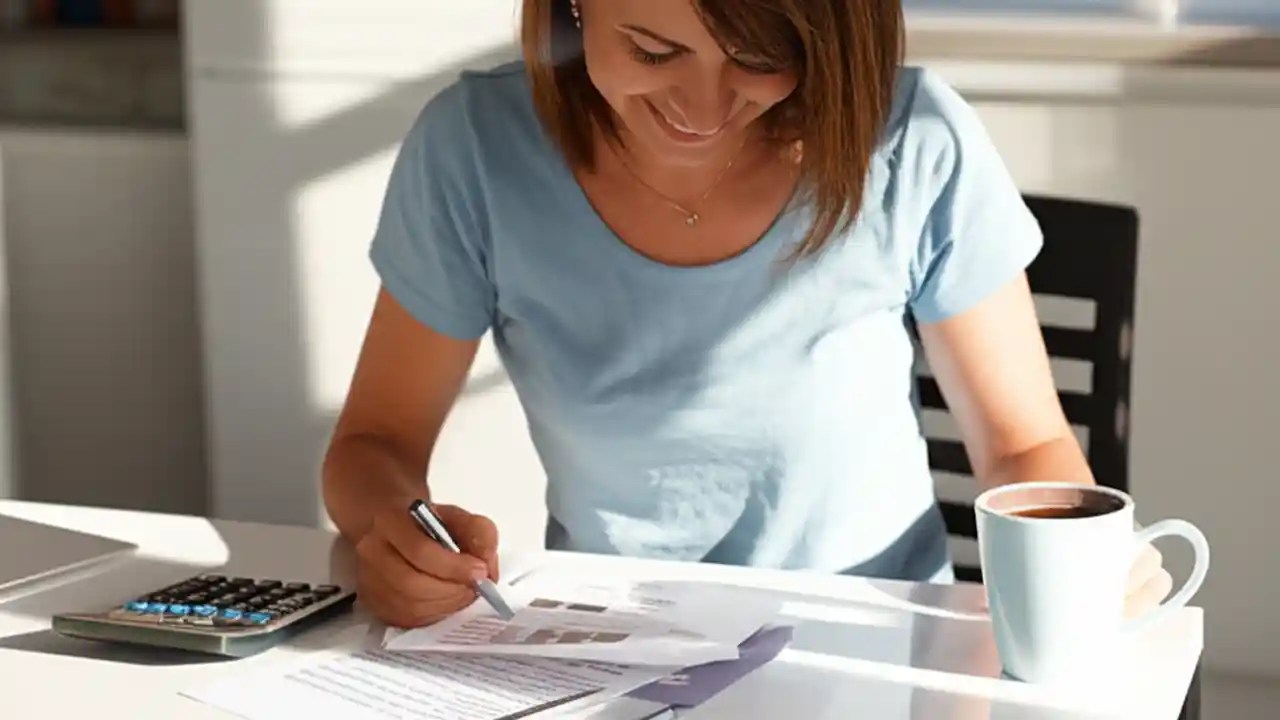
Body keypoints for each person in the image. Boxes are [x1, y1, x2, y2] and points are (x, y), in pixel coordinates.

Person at [322, 0, 1171, 629]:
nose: (703, 108)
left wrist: (1084, 561)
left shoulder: (912, 140)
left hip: (872, 638)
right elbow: (374, 448)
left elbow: (1023, 445)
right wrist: (394, 532)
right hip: (606, 641)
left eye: (760, 58)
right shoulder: (476, 148)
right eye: (654, 51)